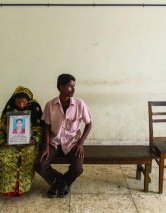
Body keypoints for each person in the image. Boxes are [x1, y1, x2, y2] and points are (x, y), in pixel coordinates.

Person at [36, 74, 92, 198]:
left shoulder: (80, 104)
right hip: (54, 142)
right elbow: (47, 126)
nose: (73, 89)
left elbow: (89, 124)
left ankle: (57, 184)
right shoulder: (50, 105)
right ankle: (61, 184)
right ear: (61, 87)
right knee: (40, 164)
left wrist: (80, 143)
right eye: (70, 86)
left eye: (74, 86)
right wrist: (46, 145)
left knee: (78, 168)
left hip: (72, 142)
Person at [0, 86, 43, 197]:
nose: (21, 105)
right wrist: (3, 140)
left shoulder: (34, 109)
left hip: (28, 143)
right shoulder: (9, 110)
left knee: (27, 156)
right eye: (19, 102)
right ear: (14, 101)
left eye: (24, 102)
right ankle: (9, 188)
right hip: (9, 143)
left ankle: (21, 188)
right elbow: (1, 129)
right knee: (5, 157)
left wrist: (34, 139)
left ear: (28, 101)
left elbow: (40, 128)